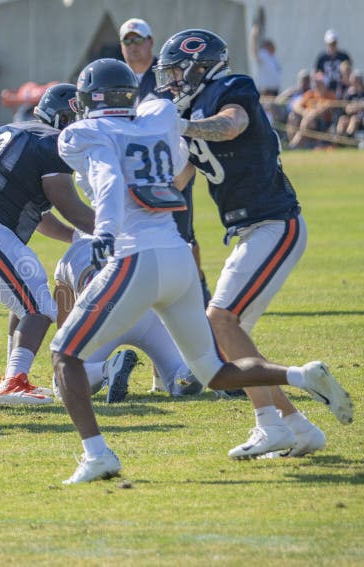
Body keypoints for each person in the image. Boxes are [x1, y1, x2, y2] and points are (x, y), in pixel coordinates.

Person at [51, 58, 352, 484]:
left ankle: (97, 454)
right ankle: (299, 375)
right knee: (214, 371)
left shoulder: (83, 133)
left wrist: (104, 232)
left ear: (89, 99)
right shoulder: (156, 117)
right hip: (178, 256)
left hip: (135, 255)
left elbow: (108, 179)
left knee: (65, 355)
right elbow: (171, 151)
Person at [155, 29, 331, 458]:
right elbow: (178, 181)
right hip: (249, 231)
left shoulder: (231, 88)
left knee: (220, 320)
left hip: (275, 223)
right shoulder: (190, 111)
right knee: (227, 338)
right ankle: (298, 427)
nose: (172, 82)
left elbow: (231, 126)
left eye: (177, 72)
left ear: (200, 67)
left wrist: (182, 125)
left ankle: (271, 425)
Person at [0, 83, 95, 406]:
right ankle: (13, 382)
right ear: (65, 118)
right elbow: (69, 206)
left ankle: (13, 377)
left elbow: (39, 215)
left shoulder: (19, 131)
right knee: (40, 306)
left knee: (28, 297)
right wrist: (116, 229)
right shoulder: (50, 141)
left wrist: (74, 236)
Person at [118, 17, 213, 390]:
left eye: (138, 40)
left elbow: (189, 137)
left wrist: (180, 181)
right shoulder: (119, 81)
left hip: (171, 179)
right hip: (136, 184)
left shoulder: (166, 80)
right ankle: (169, 366)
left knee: (183, 248)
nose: (133, 47)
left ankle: (198, 342)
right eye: (127, 41)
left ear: (150, 41)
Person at [48, 221, 202, 401]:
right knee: (177, 371)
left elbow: (65, 324)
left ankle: (108, 369)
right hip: (148, 309)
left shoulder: (71, 255)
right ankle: (189, 372)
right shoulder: (134, 238)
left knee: (62, 380)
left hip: (104, 311)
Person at [288, 71, 337, 149]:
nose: (316, 85)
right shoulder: (310, 93)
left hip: (322, 122)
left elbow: (324, 109)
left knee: (308, 120)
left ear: (324, 84)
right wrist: (304, 112)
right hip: (307, 118)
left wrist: (311, 114)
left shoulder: (330, 95)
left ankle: (293, 146)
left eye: (319, 83)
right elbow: (296, 106)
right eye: (316, 82)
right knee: (293, 117)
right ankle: (294, 143)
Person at [249, 20, 281, 97]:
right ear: (267, 46)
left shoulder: (272, 57)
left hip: (275, 91)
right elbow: (254, 50)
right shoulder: (263, 54)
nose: (274, 48)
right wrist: (253, 36)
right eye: (272, 46)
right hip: (265, 91)